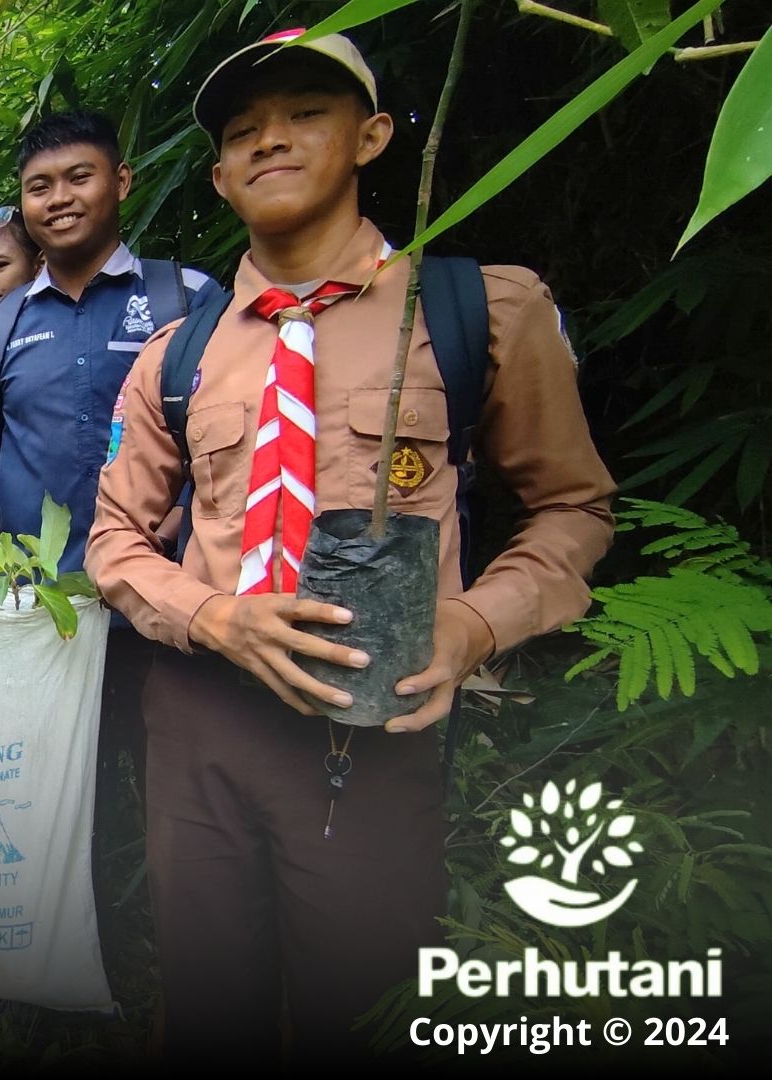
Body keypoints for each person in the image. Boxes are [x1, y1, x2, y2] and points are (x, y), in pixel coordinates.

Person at [85, 30, 617, 1060]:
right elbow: (116, 536)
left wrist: (473, 625)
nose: (270, 140)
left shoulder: (474, 310)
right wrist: (214, 616)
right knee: (207, 997)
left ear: (372, 136)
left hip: (374, 729)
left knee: (365, 1001)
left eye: (305, 113)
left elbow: (574, 507)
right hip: (200, 721)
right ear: (219, 177)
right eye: (244, 131)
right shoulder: (176, 357)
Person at [0, 111, 219, 806]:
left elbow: (222, 457)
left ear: (120, 181)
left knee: (166, 790)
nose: (59, 198)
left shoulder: (188, 299)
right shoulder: (0, 326)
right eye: (40, 186)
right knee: (49, 791)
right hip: (44, 608)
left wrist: (176, 522)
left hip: (166, 600)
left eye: (79, 177)